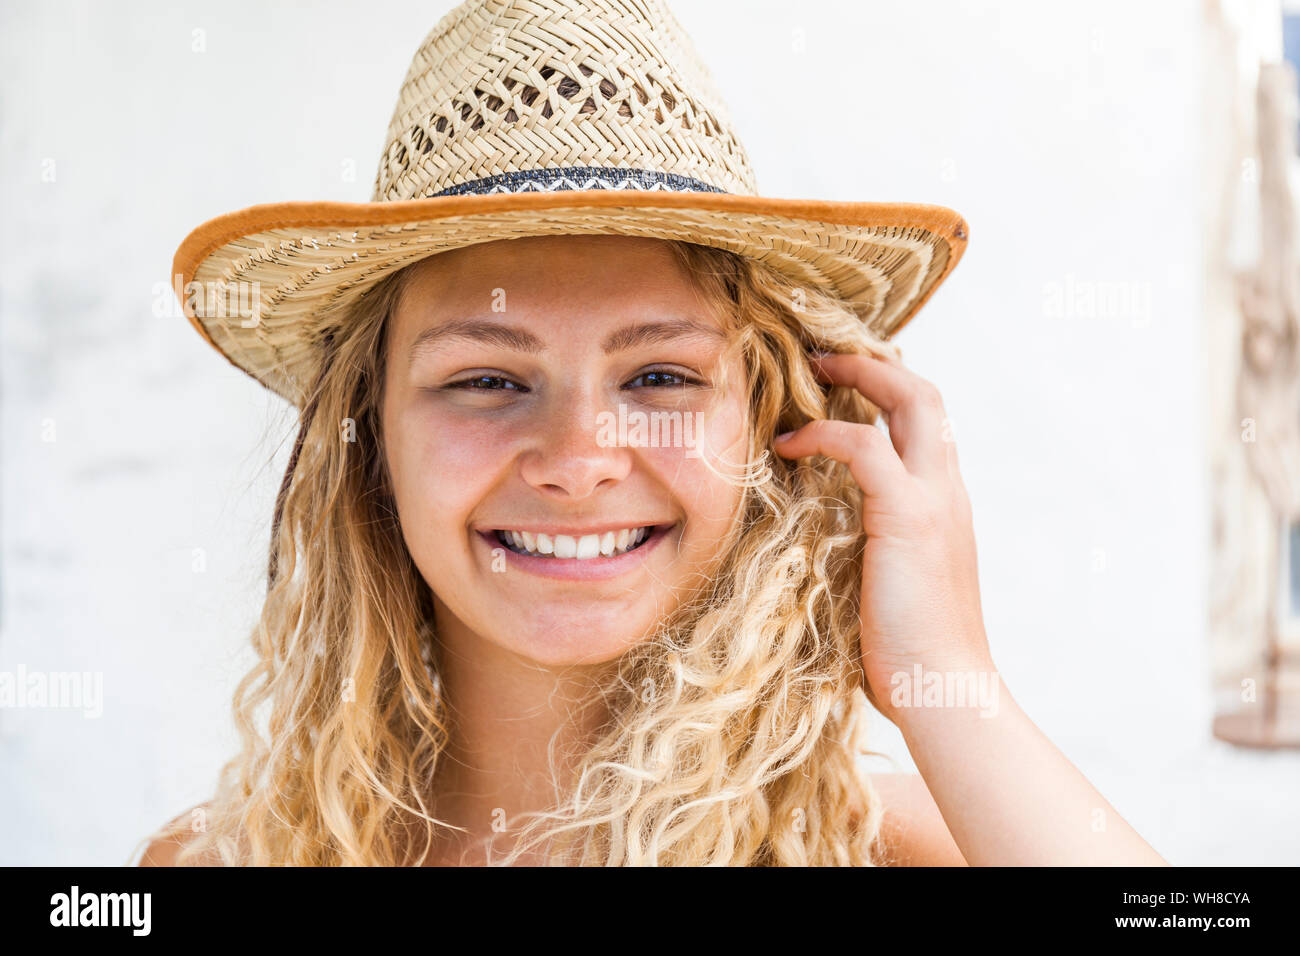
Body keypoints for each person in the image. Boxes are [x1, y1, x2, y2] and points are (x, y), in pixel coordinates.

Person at [135, 0, 1165, 866]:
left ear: (773, 426)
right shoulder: (226, 857)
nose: (579, 459)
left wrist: (950, 677)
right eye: (487, 378)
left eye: (661, 374)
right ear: (369, 438)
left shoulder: (884, 843)